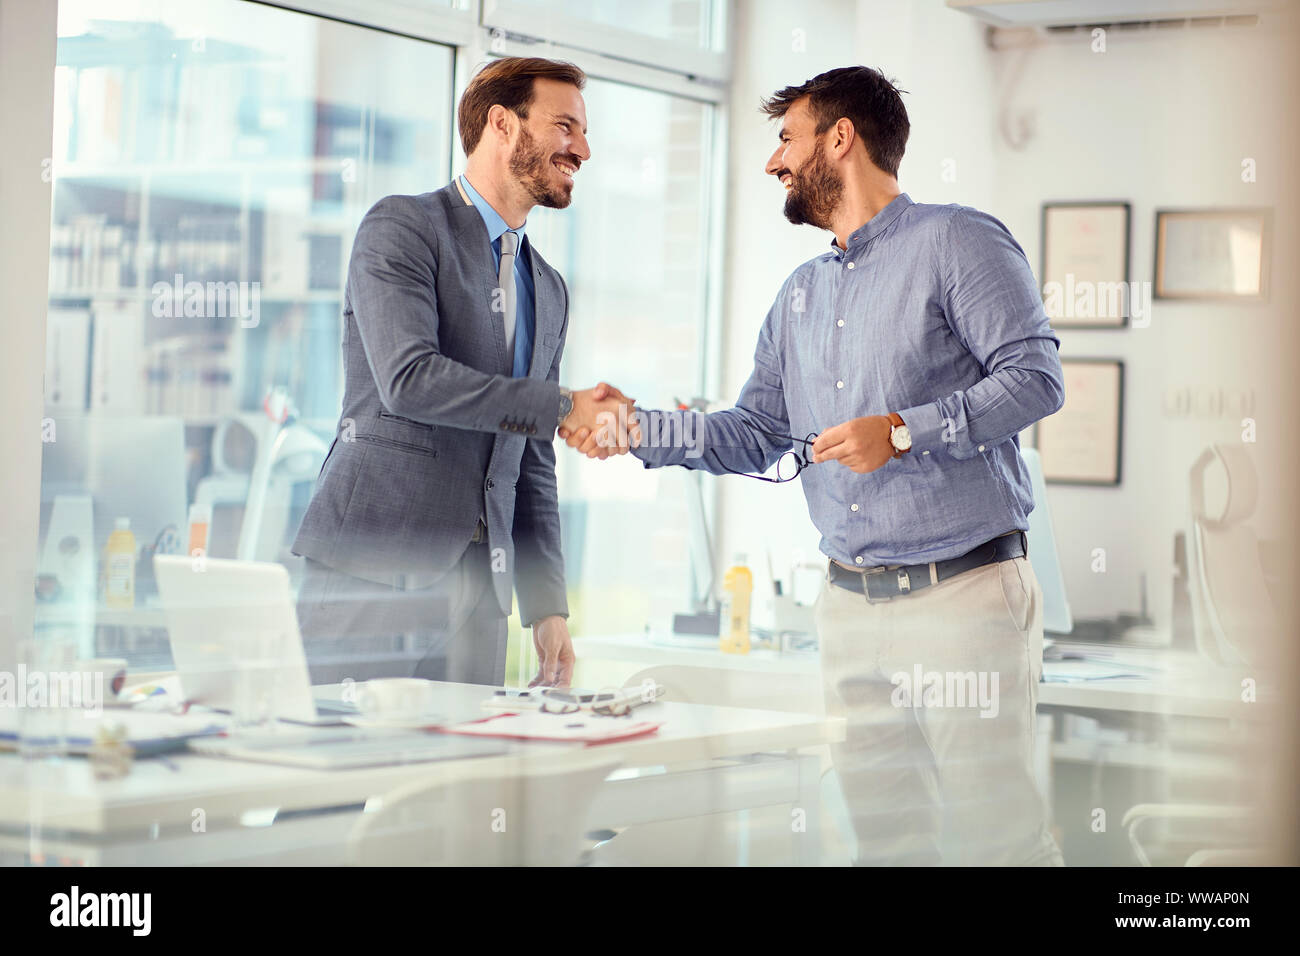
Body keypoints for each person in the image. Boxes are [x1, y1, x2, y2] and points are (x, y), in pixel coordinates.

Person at [565, 66, 1066, 865]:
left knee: (994, 839)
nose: (774, 163)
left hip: (963, 598)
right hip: (849, 607)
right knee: (885, 845)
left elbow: (1036, 377)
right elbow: (756, 430)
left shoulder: (957, 241)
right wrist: (635, 430)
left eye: (786, 140)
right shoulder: (799, 294)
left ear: (842, 138)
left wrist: (902, 431)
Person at [293, 56, 637, 689]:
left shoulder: (550, 289)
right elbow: (411, 380)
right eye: (566, 127)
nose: (582, 149)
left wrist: (547, 605)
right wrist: (564, 406)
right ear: (502, 124)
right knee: (329, 781)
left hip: (480, 597)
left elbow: (530, 458)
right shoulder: (403, 228)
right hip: (370, 573)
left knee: (459, 784)